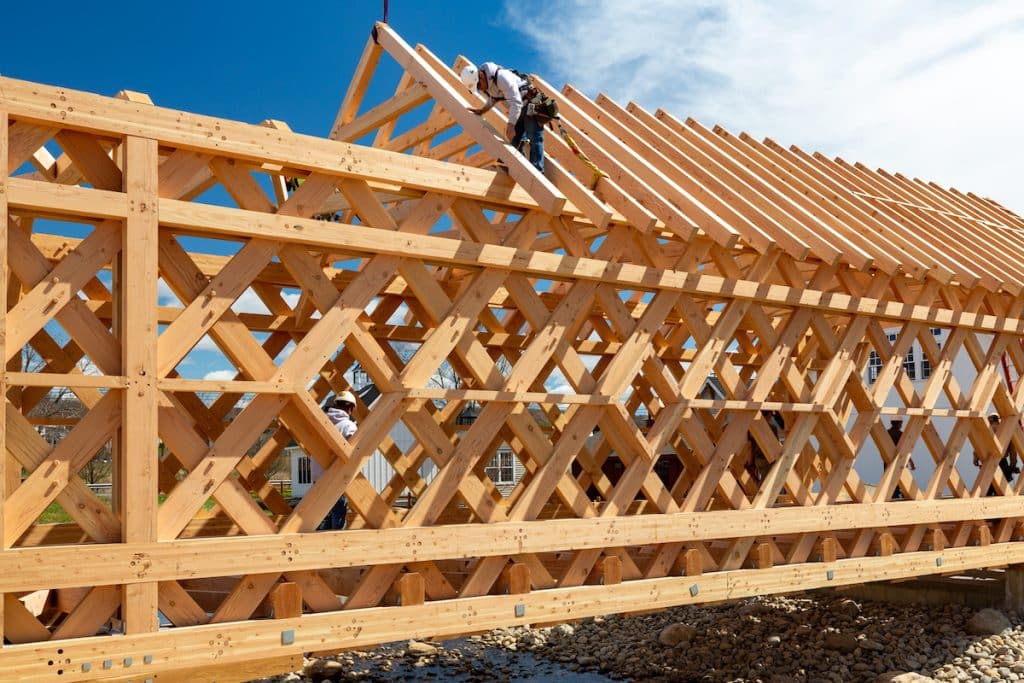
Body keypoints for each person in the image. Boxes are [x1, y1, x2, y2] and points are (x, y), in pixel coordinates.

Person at [459, 62, 552, 173]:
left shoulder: (502, 77)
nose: (480, 89)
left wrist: (511, 124)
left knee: (533, 134)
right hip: (520, 108)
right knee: (515, 138)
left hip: (530, 104)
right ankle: (520, 167)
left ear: (481, 76)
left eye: (478, 86)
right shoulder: (489, 83)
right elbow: (493, 97)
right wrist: (483, 110)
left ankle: (537, 171)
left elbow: (516, 102)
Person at [309, 390, 358, 530]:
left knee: (321, 519)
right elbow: (354, 453)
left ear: (335, 405)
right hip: (335, 479)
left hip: (317, 478)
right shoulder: (348, 426)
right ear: (351, 409)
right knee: (337, 520)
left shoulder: (322, 424)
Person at [976, 413, 1020, 496]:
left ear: (989, 420)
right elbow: (1012, 451)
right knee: (1001, 492)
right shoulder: (1005, 430)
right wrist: (1013, 465)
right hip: (1002, 463)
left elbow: (978, 444)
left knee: (986, 492)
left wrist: (976, 457)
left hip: (987, 462)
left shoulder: (985, 430)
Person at [885, 419, 916, 499]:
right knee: (900, 477)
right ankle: (897, 494)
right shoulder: (900, 434)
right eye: (901, 423)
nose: (901, 425)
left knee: (888, 477)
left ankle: (890, 494)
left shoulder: (886, 433)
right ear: (899, 424)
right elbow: (905, 449)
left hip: (887, 459)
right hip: (899, 459)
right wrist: (911, 462)